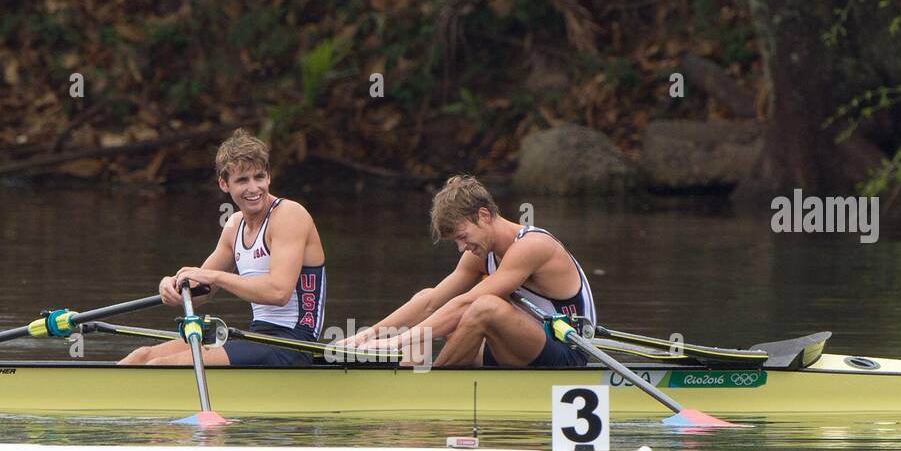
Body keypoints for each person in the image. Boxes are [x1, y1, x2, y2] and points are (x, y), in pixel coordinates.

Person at [119, 129, 327, 366]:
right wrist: (172, 286)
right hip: (258, 336)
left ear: (269, 177)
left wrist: (215, 276)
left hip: (294, 345)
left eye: (259, 177)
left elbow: (278, 293)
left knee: (163, 366)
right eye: (242, 180)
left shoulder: (289, 215)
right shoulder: (234, 225)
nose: (253, 188)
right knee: (142, 356)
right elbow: (201, 291)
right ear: (224, 183)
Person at [341, 175, 595, 368]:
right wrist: (370, 334)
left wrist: (396, 341)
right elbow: (431, 303)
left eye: (463, 237)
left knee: (484, 307)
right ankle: (410, 373)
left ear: (484, 215)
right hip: (516, 348)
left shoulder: (533, 246)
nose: (462, 248)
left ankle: (431, 386)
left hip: (566, 353)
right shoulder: (480, 254)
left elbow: (468, 302)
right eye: (456, 242)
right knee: (424, 295)